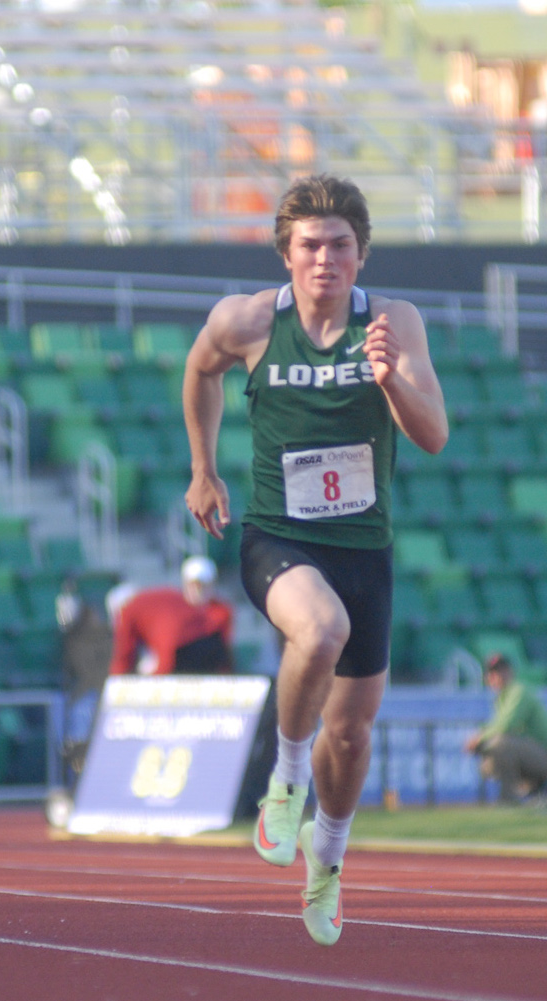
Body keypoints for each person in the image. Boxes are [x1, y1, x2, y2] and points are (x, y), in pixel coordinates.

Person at [183, 174, 447, 945]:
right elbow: (200, 370)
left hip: (365, 546)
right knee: (319, 630)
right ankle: (284, 780)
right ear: (286, 254)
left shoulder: (395, 323)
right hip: (279, 536)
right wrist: (203, 468)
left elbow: (433, 435)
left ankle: (326, 862)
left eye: (340, 246)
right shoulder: (246, 321)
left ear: (361, 255)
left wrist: (392, 378)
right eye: (310, 246)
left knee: (354, 734)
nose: (325, 259)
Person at [464, 653, 547, 806]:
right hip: (535, 753)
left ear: (510, 671)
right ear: (487, 677)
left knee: (500, 744)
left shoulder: (519, 691)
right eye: (493, 672)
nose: (499, 676)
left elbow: (507, 725)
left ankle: (509, 799)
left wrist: (479, 739)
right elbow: (498, 726)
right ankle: (536, 789)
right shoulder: (501, 698)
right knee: (489, 761)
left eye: (502, 670)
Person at [107, 556, 235, 677]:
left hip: (179, 657)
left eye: (201, 585)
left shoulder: (132, 609)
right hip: (189, 656)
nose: (197, 590)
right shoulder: (166, 604)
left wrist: (116, 680)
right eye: (193, 585)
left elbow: (124, 655)